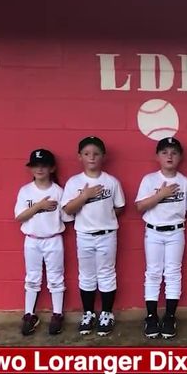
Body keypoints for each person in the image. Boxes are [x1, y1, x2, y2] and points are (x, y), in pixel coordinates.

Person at [61, 136, 125, 336]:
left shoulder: (111, 181)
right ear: (79, 156)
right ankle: (88, 313)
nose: (92, 157)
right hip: (84, 234)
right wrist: (84, 196)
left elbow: (119, 207)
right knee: (87, 275)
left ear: (103, 157)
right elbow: (68, 209)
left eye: (96, 154)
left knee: (106, 274)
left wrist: (104, 218)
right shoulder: (75, 182)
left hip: (106, 234)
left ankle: (107, 313)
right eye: (87, 154)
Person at [135, 137, 187, 339]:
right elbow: (140, 207)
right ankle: (151, 316)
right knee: (153, 273)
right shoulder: (149, 180)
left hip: (176, 231)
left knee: (173, 273)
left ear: (180, 157)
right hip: (153, 231)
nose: (169, 156)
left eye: (173, 153)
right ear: (157, 156)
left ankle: (170, 316)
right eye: (164, 152)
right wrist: (161, 194)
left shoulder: (185, 182)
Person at [14, 148, 68, 336]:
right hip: (32, 239)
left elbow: (67, 217)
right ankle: (29, 314)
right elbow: (20, 216)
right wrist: (39, 206)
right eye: (36, 166)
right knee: (32, 278)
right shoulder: (25, 191)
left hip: (53, 239)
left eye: (44, 166)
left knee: (56, 278)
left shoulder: (58, 191)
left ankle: (58, 314)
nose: (39, 169)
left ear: (51, 168)